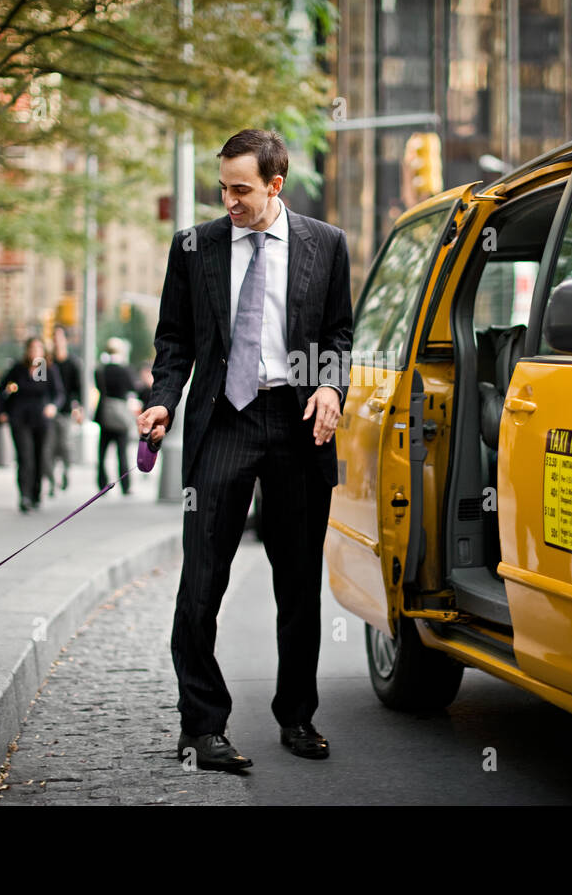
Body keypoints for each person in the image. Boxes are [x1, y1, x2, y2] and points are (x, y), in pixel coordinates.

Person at [137, 128, 352, 770]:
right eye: (222, 187)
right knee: (201, 581)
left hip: (296, 422)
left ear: (275, 185)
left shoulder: (326, 243)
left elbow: (339, 334)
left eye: (241, 189)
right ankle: (201, 726)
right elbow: (173, 339)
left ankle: (298, 716)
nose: (228, 200)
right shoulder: (195, 245)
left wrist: (332, 389)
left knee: (297, 584)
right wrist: (162, 400)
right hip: (222, 421)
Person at [0, 336, 64, 513]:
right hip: (19, 417)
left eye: (38, 348)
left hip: (40, 417)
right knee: (25, 457)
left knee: (40, 456)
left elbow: (58, 393)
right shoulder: (18, 368)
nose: (34, 352)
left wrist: (53, 406)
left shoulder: (46, 368)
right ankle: (24, 495)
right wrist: (1, 411)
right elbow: (1, 389)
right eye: (32, 348)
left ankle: (36, 493)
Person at [94, 337, 139, 495]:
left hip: (104, 414)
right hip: (120, 416)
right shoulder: (125, 370)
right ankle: (125, 486)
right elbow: (133, 387)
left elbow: (98, 387)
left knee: (102, 453)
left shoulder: (100, 370)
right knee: (122, 453)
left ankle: (101, 484)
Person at [43, 324, 83, 497]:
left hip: (66, 411)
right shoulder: (46, 362)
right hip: (48, 413)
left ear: (65, 340)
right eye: (54, 338)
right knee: (48, 449)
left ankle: (66, 471)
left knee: (65, 446)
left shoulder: (73, 363)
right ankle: (52, 482)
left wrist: (78, 408)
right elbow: (38, 385)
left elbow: (79, 389)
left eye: (59, 338)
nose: (56, 342)